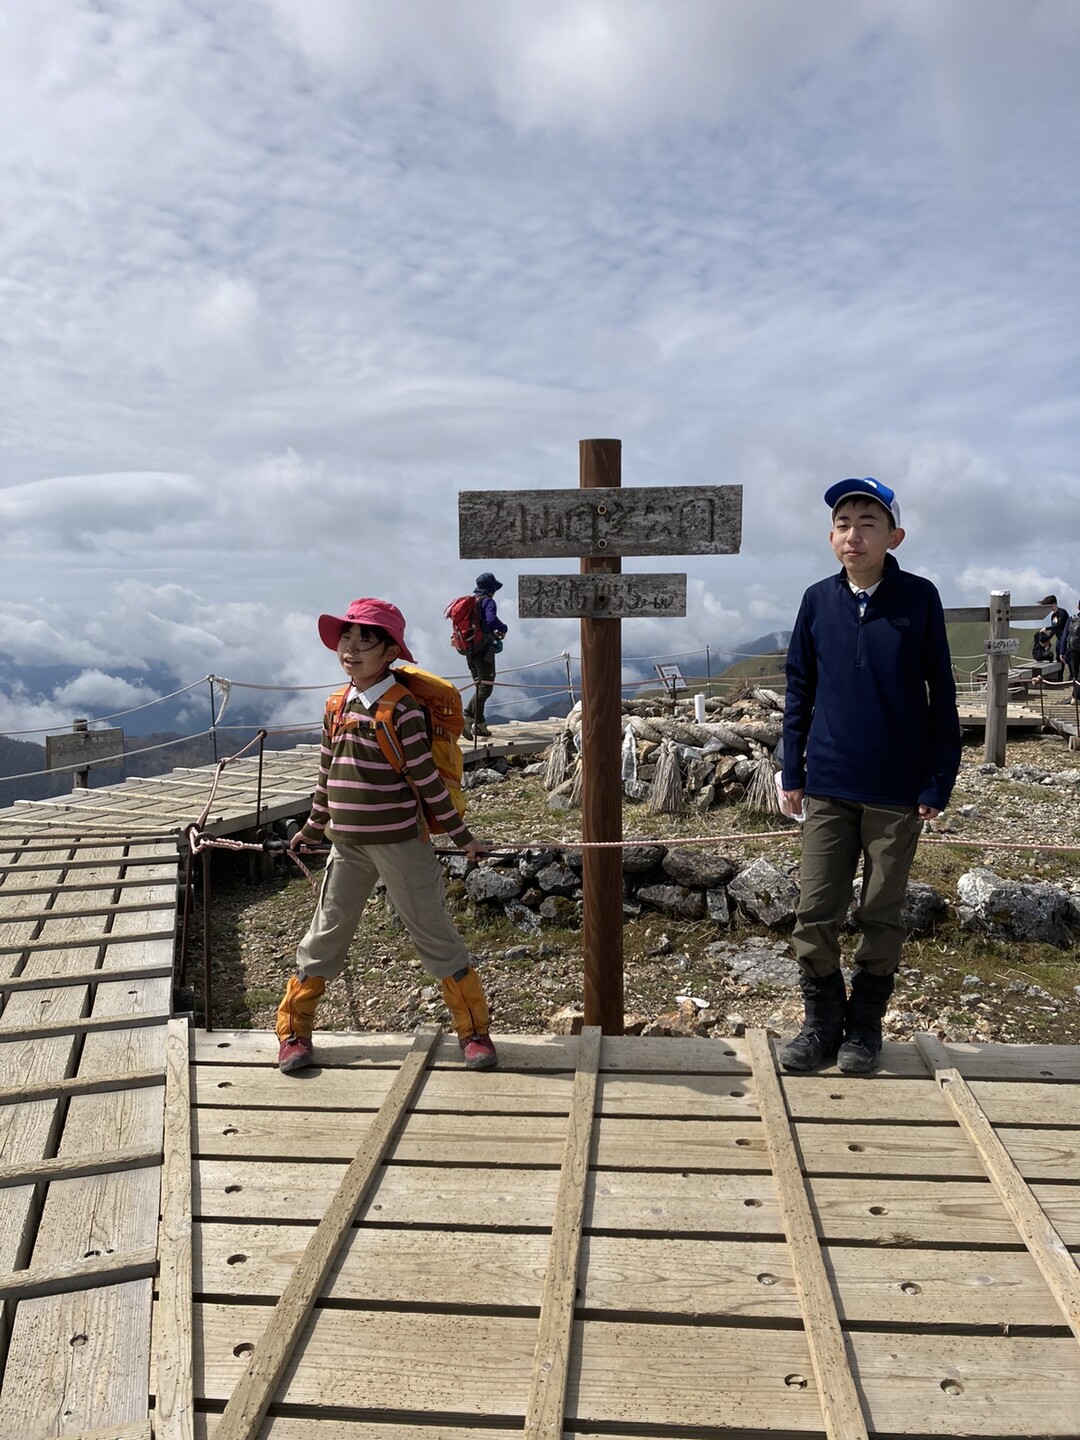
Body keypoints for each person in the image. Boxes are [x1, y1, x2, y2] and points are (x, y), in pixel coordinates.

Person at [779, 477, 961, 1075]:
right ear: (830, 537)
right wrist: (792, 768)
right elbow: (799, 688)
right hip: (828, 782)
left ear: (894, 535)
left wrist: (939, 780)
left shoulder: (919, 597)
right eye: (842, 524)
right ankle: (821, 1024)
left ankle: (864, 1029)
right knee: (815, 909)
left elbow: (942, 694)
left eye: (867, 523)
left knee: (881, 911)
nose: (852, 535)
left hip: (896, 788)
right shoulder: (815, 599)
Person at [275, 598, 498, 1074]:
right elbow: (325, 776)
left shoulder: (403, 709)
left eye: (365, 640)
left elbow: (427, 782)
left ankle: (474, 1031)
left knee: (435, 936)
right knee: (324, 938)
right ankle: (293, 1032)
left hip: (401, 843)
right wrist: (314, 828)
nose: (350, 649)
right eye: (346, 639)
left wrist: (463, 839)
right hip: (347, 845)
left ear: (390, 650)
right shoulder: (336, 706)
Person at [462, 572, 508, 739]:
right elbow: (490, 620)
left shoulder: (471, 602)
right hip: (483, 650)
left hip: (469, 649)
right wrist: (503, 628)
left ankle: (480, 724)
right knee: (485, 687)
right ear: (491, 589)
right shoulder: (488, 601)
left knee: (478, 685)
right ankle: (467, 716)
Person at [1040, 595, 1070, 667]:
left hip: (1066, 639)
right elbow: (1054, 629)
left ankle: (1073, 676)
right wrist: (1047, 639)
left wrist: (1046, 628)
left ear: (1053, 603)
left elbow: (1059, 624)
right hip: (1059, 640)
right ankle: (1059, 677)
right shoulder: (1053, 615)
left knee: (1068, 659)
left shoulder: (1062, 612)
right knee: (1059, 661)